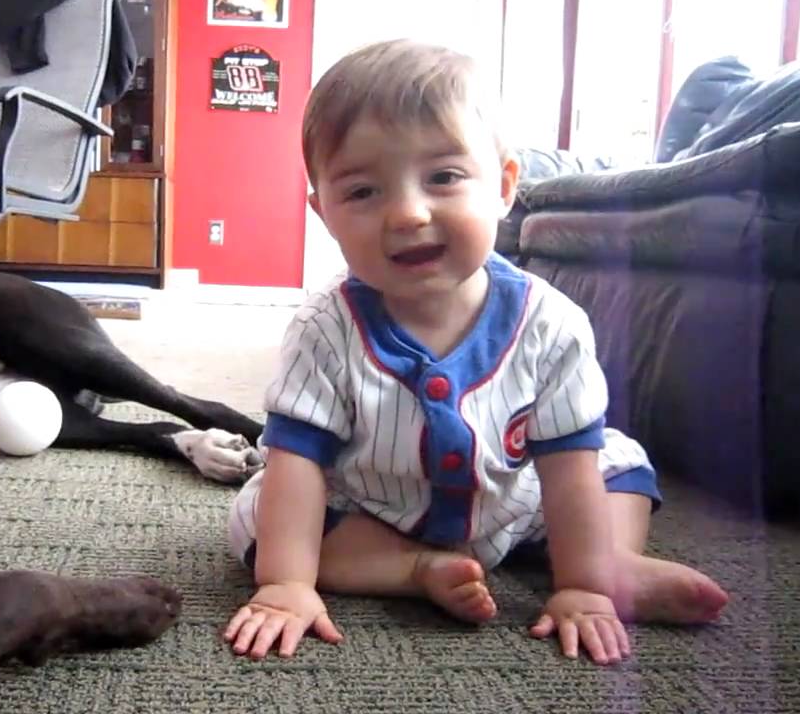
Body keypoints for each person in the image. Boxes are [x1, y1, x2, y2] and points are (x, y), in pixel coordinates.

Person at [223, 39, 729, 666]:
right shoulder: (323, 327)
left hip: (519, 502)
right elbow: (299, 463)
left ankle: (608, 561)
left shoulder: (552, 324)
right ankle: (414, 568)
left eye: (443, 177)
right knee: (263, 512)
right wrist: (286, 584)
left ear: (504, 186)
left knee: (616, 461)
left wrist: (584, 587)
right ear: (323, 212)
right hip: (377, 510)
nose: (408, 214)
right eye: (363, 192)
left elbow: (568, 468)